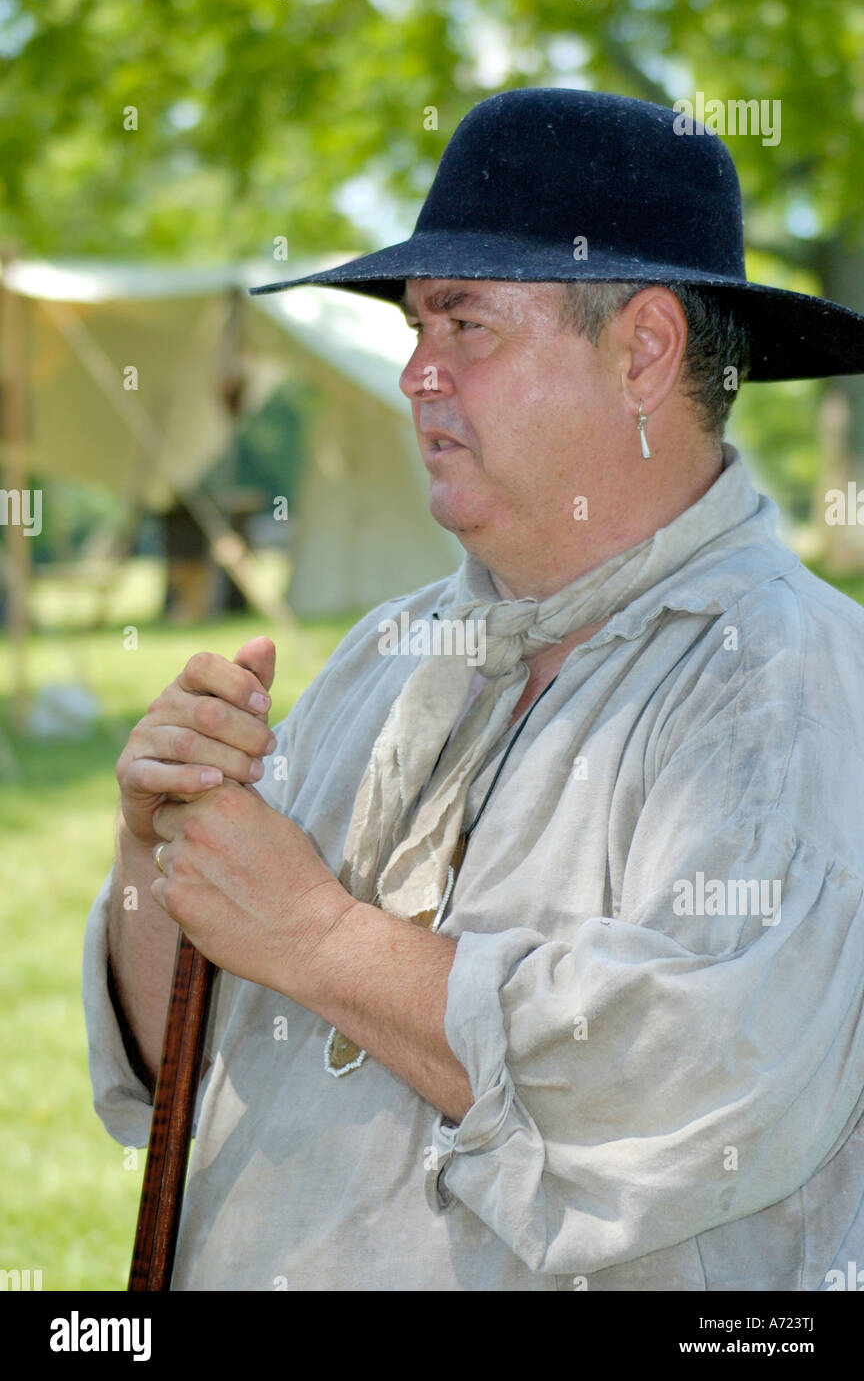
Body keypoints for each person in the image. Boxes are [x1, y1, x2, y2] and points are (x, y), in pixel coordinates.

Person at [84, 88, 864, 1291]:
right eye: (414, 328)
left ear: (645, 351)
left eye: (466, 327)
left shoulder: (786, 680)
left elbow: (690, 1082)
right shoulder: (391, 651)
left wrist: (321, 934)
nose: (415, 376)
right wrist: (162, 858)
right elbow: (182, 1061)